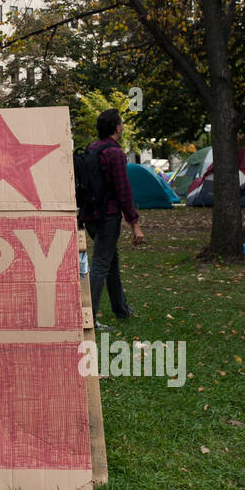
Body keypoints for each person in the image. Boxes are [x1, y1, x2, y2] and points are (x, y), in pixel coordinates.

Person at [83, 109, 144, 329]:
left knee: (111, 261)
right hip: (107, 215)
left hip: (90, 214)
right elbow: (123, 191)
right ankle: (88, 318)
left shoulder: (91, 149)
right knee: (100, 264)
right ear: (117, 128)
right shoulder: (115, 154)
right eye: (122, 123)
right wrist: (134, 224)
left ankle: (121, 308)